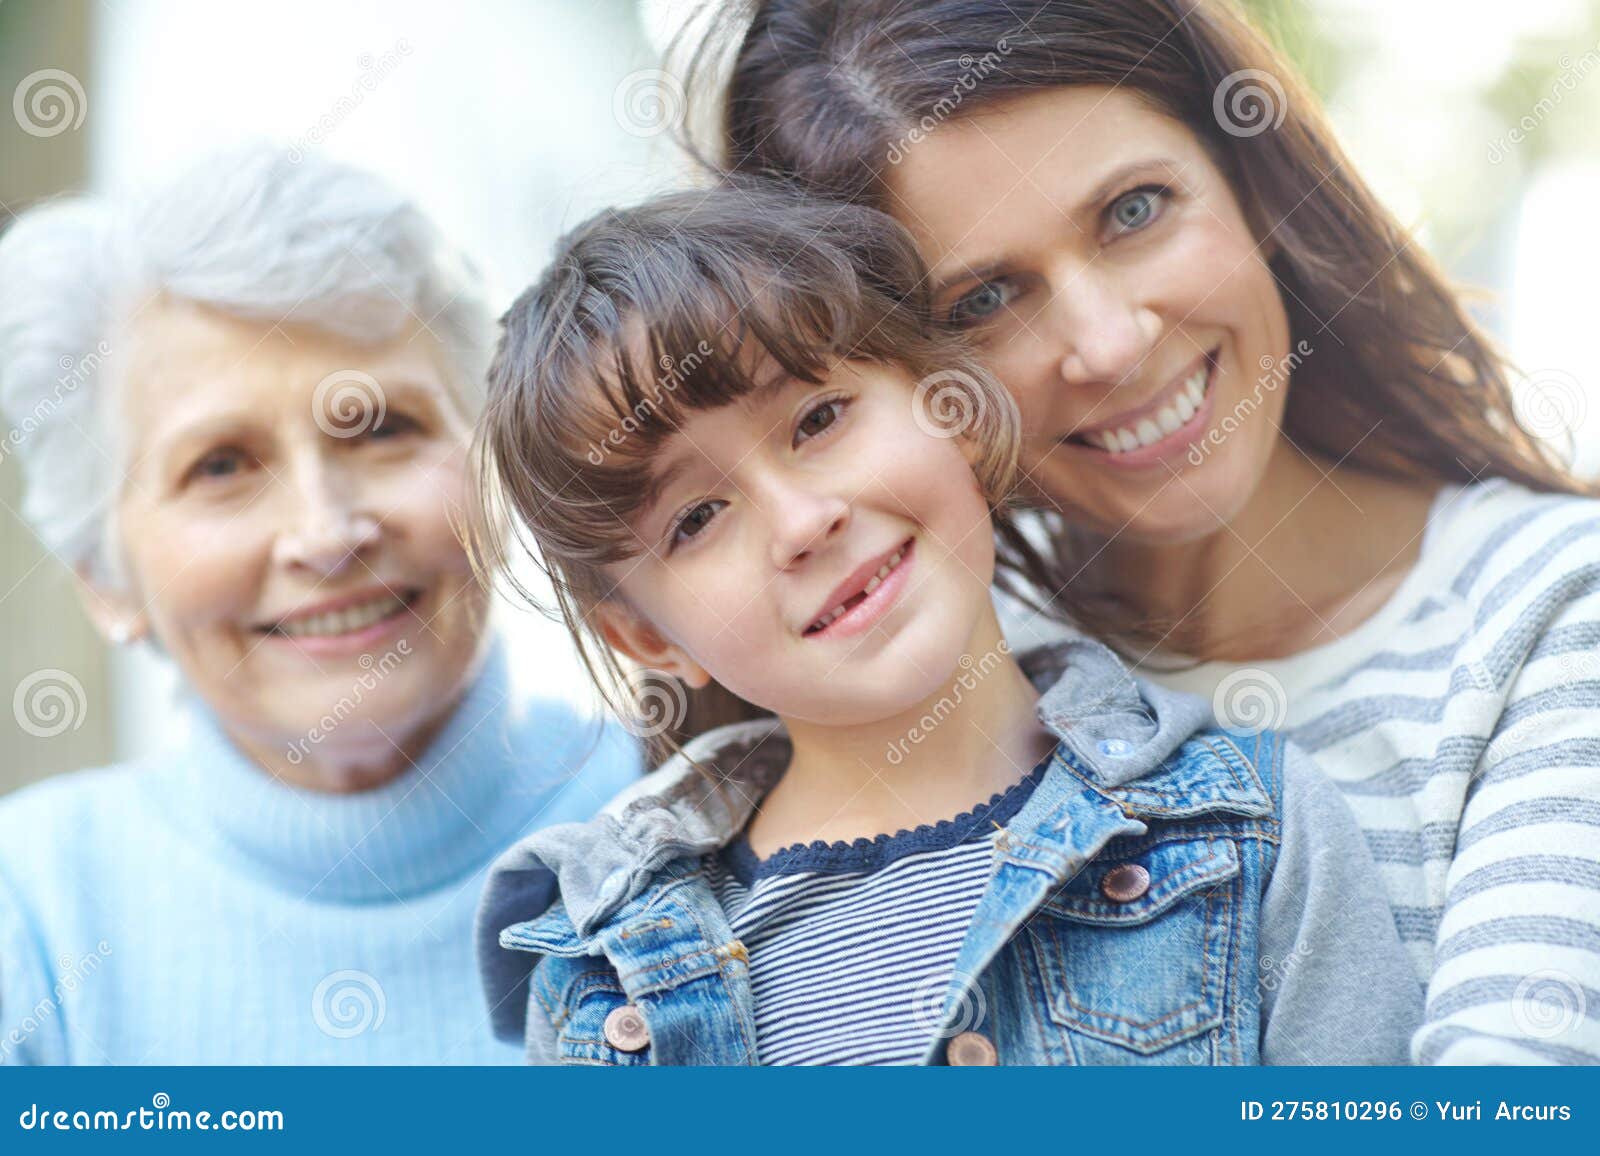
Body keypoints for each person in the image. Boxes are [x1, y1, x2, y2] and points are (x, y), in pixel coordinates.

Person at [706, 0, 1600, 1064]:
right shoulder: (904, 691)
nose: (1108, 343)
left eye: (1134, 210)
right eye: (985, 297)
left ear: (1249, 178)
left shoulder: (1550, 615)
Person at [472, 181, 1418, 1065]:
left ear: (951, 403)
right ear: (647, 639)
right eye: (697, 519)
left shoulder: (1247, 831)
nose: (804, 523)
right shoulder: (604, 984)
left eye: (818, 419)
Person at [0, 144, 639, 1064]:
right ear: (104, 581)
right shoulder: (34, 927)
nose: (326, 532)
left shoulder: (720, 821)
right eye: (219, 465)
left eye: (382, 427)